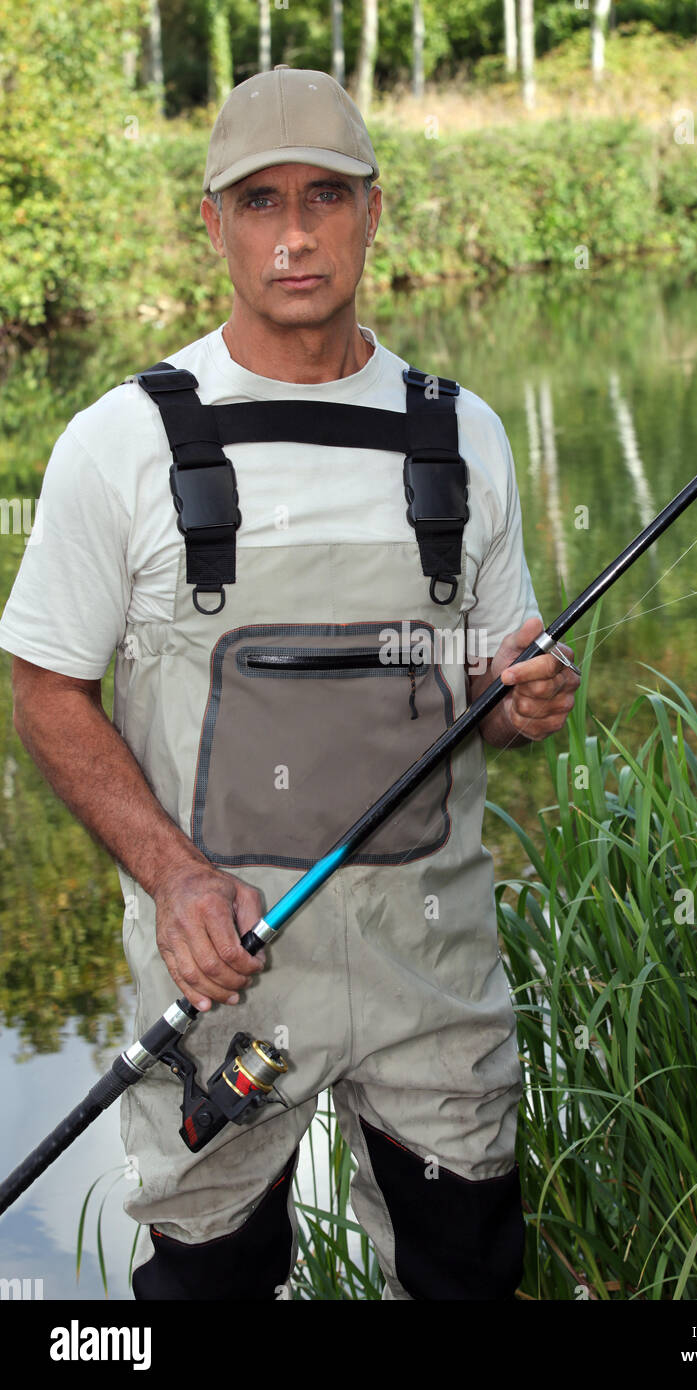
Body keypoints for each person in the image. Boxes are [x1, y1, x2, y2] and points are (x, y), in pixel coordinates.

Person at [0, 66, 579, 1301]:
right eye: (260, 201)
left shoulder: (462, 432)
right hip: (217, 977)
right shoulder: (120, 442)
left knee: (468, 1275)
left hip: (432, 966)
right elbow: (45, 689)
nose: (295, 233)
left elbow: (494, 673)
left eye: (325, 196)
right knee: (209, 1290)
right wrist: (173, 877)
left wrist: (524, 695)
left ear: (374, 210)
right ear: (212, 222)